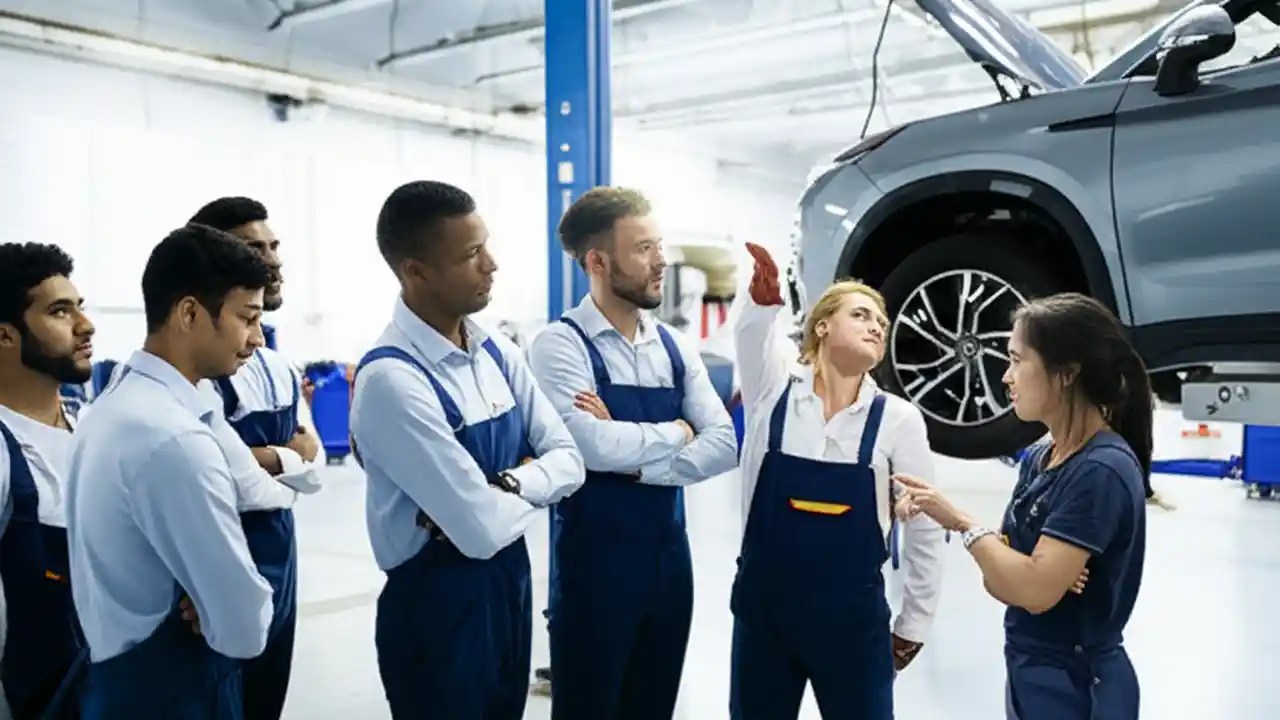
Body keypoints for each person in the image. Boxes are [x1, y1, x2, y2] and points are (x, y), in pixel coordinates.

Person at [349, 180, 584, 719]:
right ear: (416, 271)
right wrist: (530, 479)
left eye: (487, 246)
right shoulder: (392, 379)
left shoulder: (496, 349)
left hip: (509, 590)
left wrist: (505, 485)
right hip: (435, 611)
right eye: (471, 254)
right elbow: (477, 532)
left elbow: (570, 460)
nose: (492, 265)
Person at [527, 186, 739, 719]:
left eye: (659, 245)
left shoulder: (673, 345)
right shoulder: (559, 345)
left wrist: (629, 449)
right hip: (594, 568)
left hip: (671, 564)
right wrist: (677, 430)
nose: (661, 260)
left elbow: (725, 443)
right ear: (597, 261)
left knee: (654, 705)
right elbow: (588, 446)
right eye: (643, 248)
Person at [894, 292, 1150, 720]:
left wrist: (963, 524)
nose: (1005, 377)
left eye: (1016, 360)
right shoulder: (1041, 457)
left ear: (1065, 374)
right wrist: (1025, 567)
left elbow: (1030, 590)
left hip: (1078, 684)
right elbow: (1003, 584)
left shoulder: (1099, 471)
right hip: (1033, 674)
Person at [65, 225, 277, 719]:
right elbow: (244, 624)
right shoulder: (173, 439)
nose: (256, 338)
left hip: (118, 677)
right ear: (189, 313)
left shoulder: (114, 407)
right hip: (172, 693)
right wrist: (227, 609)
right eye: (247, 318)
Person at [728, 243, 946, 720]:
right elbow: (749, 339)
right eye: (862, 315)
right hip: (765, 619)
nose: (876, 327)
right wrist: (762, 304)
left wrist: (915, 622)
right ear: (822, 325)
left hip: (854, 626)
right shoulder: (773, 395)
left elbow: (927, 527)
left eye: (882, 325)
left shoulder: (898, 421)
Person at [188, 196, 324, 720]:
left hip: (280, 553)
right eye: (254, 249)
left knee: (267, 699)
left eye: (273, 246)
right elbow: (228, 478)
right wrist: (288, 457)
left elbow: (312, 459)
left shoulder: (278, 365)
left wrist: (267, 459)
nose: (273, 260)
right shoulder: (201, 366)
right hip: (225, 551)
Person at [0, 243, 96, 720]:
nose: (86, 325)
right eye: (60, 312)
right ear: (4, 336)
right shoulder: (4, 452)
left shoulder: (99, 427)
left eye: (80, 307)